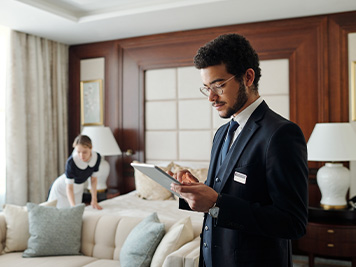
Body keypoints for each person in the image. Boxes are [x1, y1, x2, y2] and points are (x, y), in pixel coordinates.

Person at [170, 33, 308, 267]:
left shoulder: (281, 134)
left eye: (219, 85)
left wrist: (216, 203)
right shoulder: (222, 133)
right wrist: (199, 190)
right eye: (206, 88)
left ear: (248, 77)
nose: (211, 97)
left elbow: (293, 223)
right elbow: (226, 192)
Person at [48, 134, 103, 210]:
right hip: (63, 188)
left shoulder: (97, 157)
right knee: (57, 213)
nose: (81, 155)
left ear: (91, 148)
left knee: (75, 215)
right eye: (78, 152)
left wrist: (94, 200)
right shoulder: (71, 162)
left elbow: (93, 180)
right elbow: (69, 188)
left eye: (84, 152)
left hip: (78, 188)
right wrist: (73, 207)